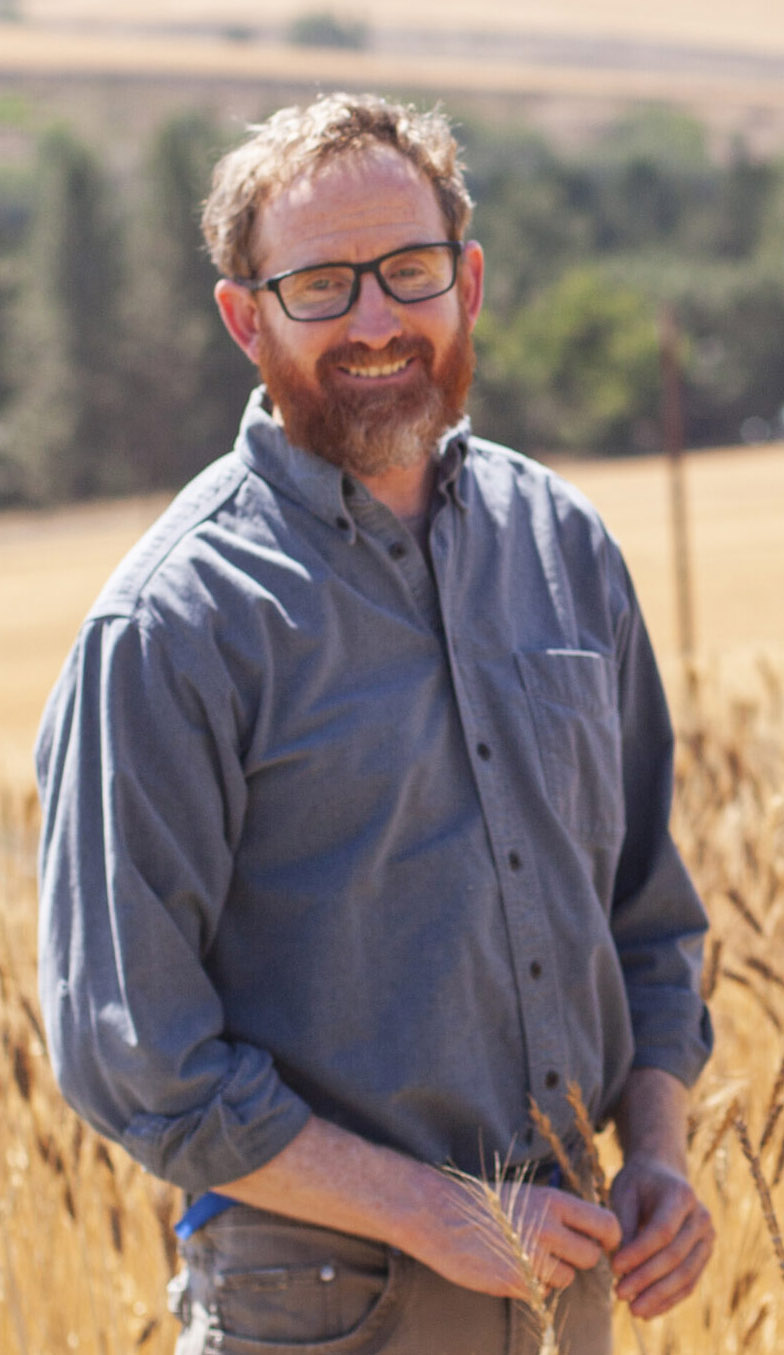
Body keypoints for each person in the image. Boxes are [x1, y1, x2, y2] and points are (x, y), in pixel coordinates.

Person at [36, 92, 714, 1355]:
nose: (375, 320)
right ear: (246, 317)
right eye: (321, 286)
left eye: (406, 271)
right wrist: (429, 1209)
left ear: (465, 280)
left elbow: (647, 918)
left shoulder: (561, 546)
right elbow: (134, 1052)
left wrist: (662, 1150)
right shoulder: (173, 626)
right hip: (323, 1314)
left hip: (572, 1291)